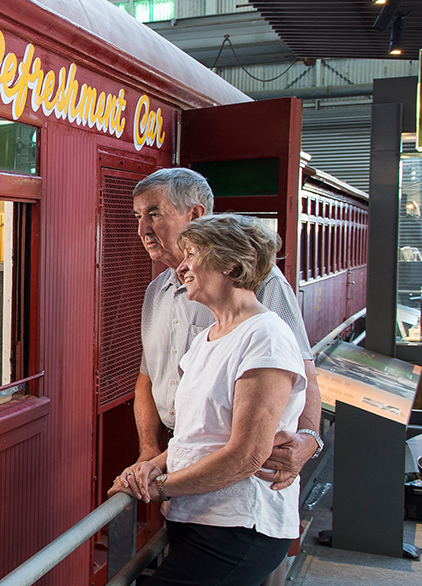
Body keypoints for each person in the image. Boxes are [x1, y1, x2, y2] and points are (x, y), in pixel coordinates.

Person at [114, 168, 322, 586]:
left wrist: (309, 439)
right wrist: (150, 459)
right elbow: (150, 379)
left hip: (236, 512)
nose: (142, 229)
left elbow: (300, 377)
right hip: (193, 496)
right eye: (138, 216)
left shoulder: (263, 313)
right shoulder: (177, 308)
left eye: (154, 213)